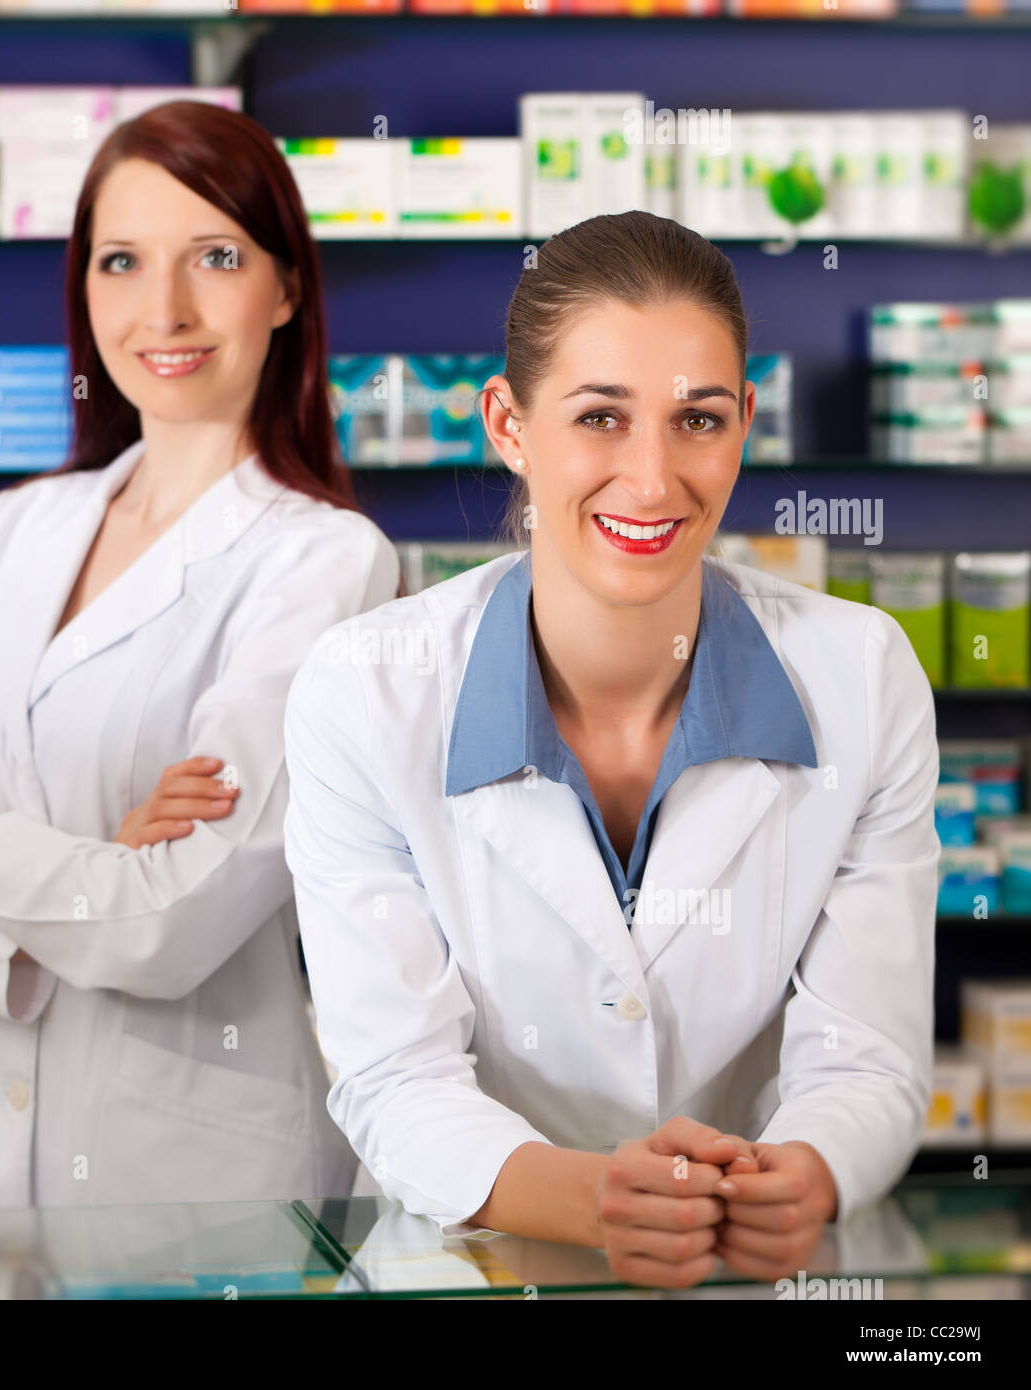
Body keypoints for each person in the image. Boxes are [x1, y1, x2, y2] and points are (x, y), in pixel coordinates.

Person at [283, 209, 938, 1288]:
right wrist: (597, 1198)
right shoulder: (364, 692)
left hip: (737, 1268)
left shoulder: (861, 676)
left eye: (698, 418)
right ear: (508, 422)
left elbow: (864, 1052)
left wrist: (806, 1173)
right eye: (600, 416)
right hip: (465, 1266)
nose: (650, 479)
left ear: (745, 425)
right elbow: (394, 1076)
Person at [0, 100, 399, 1210]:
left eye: (216, 257)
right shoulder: (18, 528)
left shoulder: (328, 563)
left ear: (286, 288)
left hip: (190, 1190)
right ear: (84, 291)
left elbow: (165, 924)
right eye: (122, 262)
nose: (164, 309)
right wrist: (77, 889)